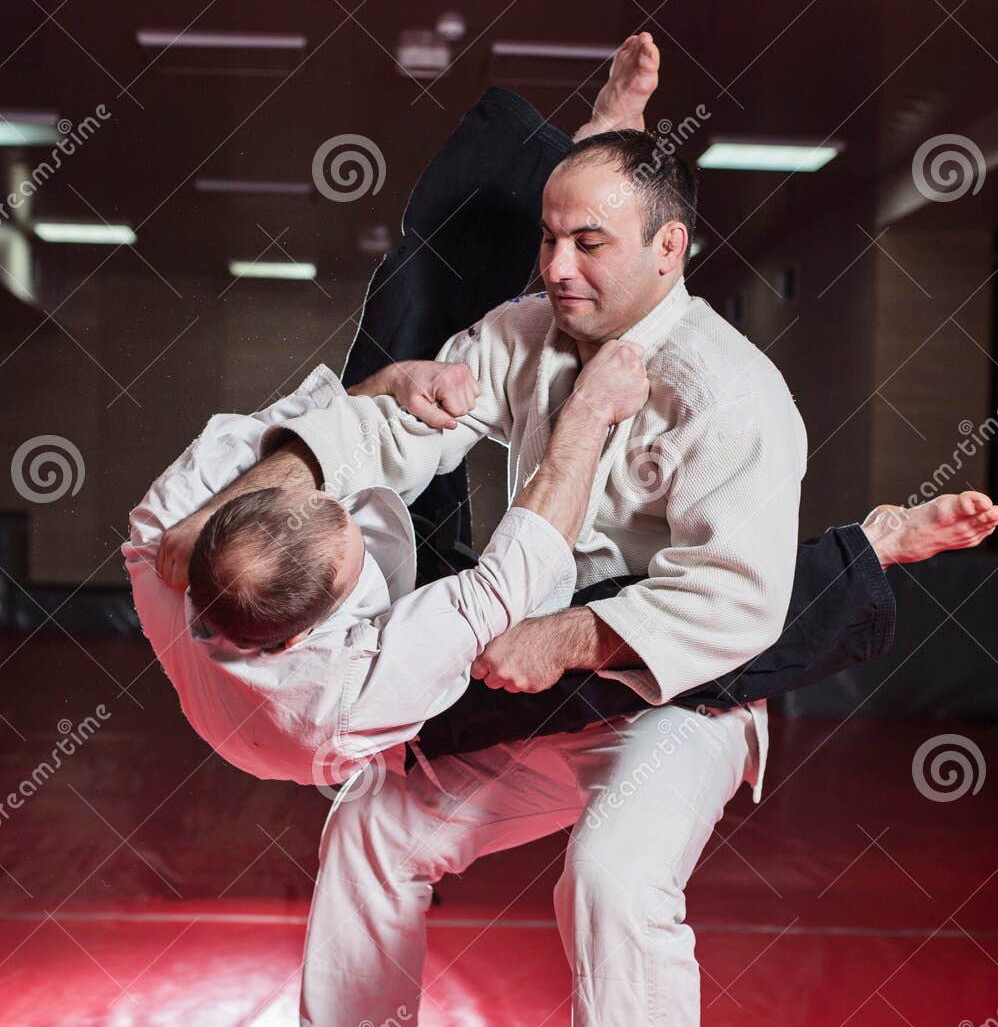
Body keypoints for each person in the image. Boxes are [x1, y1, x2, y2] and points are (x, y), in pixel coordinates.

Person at [146, 33, 997, 1027]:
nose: (554, 266)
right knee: (378, 813)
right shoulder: (534, 329)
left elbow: (736, 602)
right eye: (546, 239)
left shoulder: (736, 395)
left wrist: (575, 632)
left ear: (669, 249)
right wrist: (353, 433)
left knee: (609, 869)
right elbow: (406, 422)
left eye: (586, 244)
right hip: (533, 686)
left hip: (682, 694)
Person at [124, 339, 651, 791]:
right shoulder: (355, 688)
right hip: (340, 732)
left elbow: (312, 428)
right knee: (557, 646)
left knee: (377, 417)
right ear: (297, 638)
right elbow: (515, 573)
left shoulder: (165, 525)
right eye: (354, 555)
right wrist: (591, 409)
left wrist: (392, 378)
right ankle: (732, 677)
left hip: (244, 609)